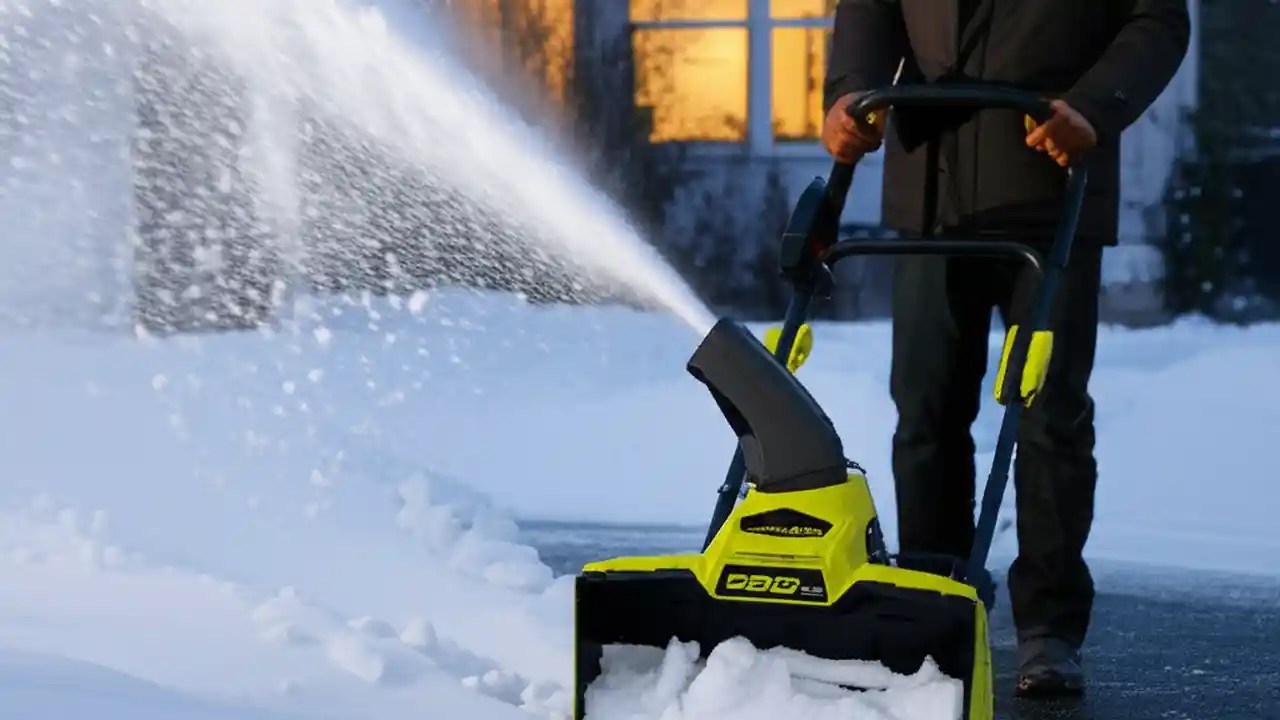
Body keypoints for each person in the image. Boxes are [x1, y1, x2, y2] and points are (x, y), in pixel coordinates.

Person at [820, 0, 1190, 698]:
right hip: (932, 190)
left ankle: (1048, 628)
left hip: (1053, 178)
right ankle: (932, 603)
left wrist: (1093, 106)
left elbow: (1156, 18)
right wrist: (849, 94)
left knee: (1049, 415)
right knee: (927, 411)